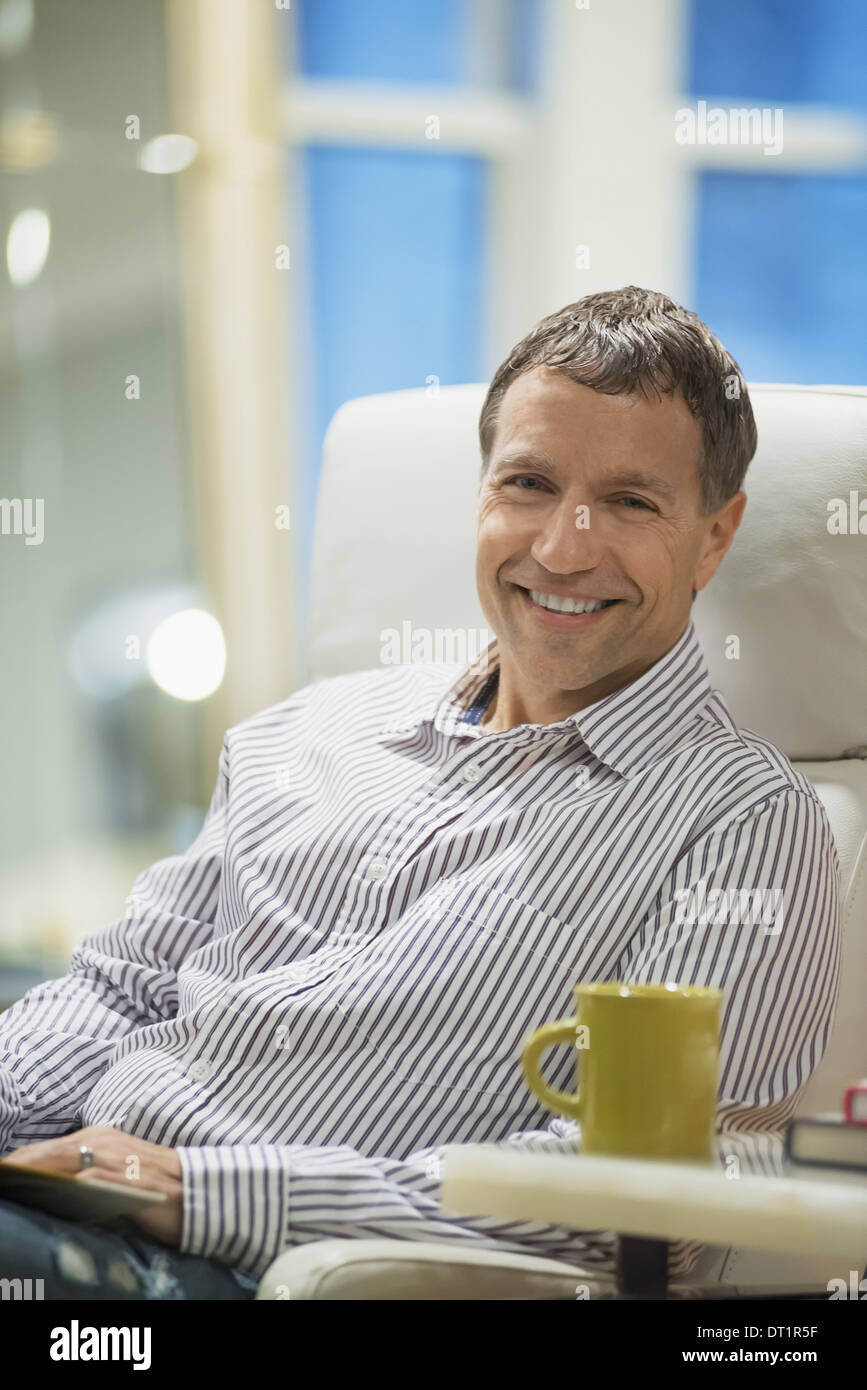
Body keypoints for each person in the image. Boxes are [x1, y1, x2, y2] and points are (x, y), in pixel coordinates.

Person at [0, 287, 840, 1298]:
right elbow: (119, 988)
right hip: (62, 1198)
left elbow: (651, 1205)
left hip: (231, 1268)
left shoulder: (741, 825)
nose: (564, 548)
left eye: (630, 502)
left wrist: (201, 1187)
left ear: (714, 536)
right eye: (528, 483)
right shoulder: (301, 729)